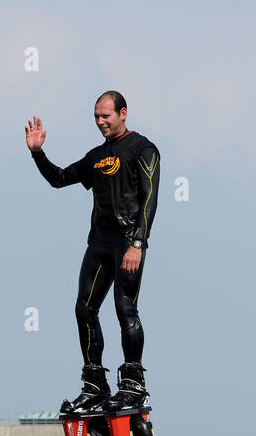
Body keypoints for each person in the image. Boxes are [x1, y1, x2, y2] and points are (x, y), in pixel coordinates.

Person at [26, 91, 160, 415]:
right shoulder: (97, 157)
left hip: (128, 243)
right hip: (99, 243)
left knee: (125, 309)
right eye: (96, 117)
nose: (100, 122)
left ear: (123, 113)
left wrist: (138, 243)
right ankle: (95, 384)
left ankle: (132, 384)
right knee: (84, 310)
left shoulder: (143, 149)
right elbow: (59, 179)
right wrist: (38, 153)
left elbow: (149, 198)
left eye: (106, 116)